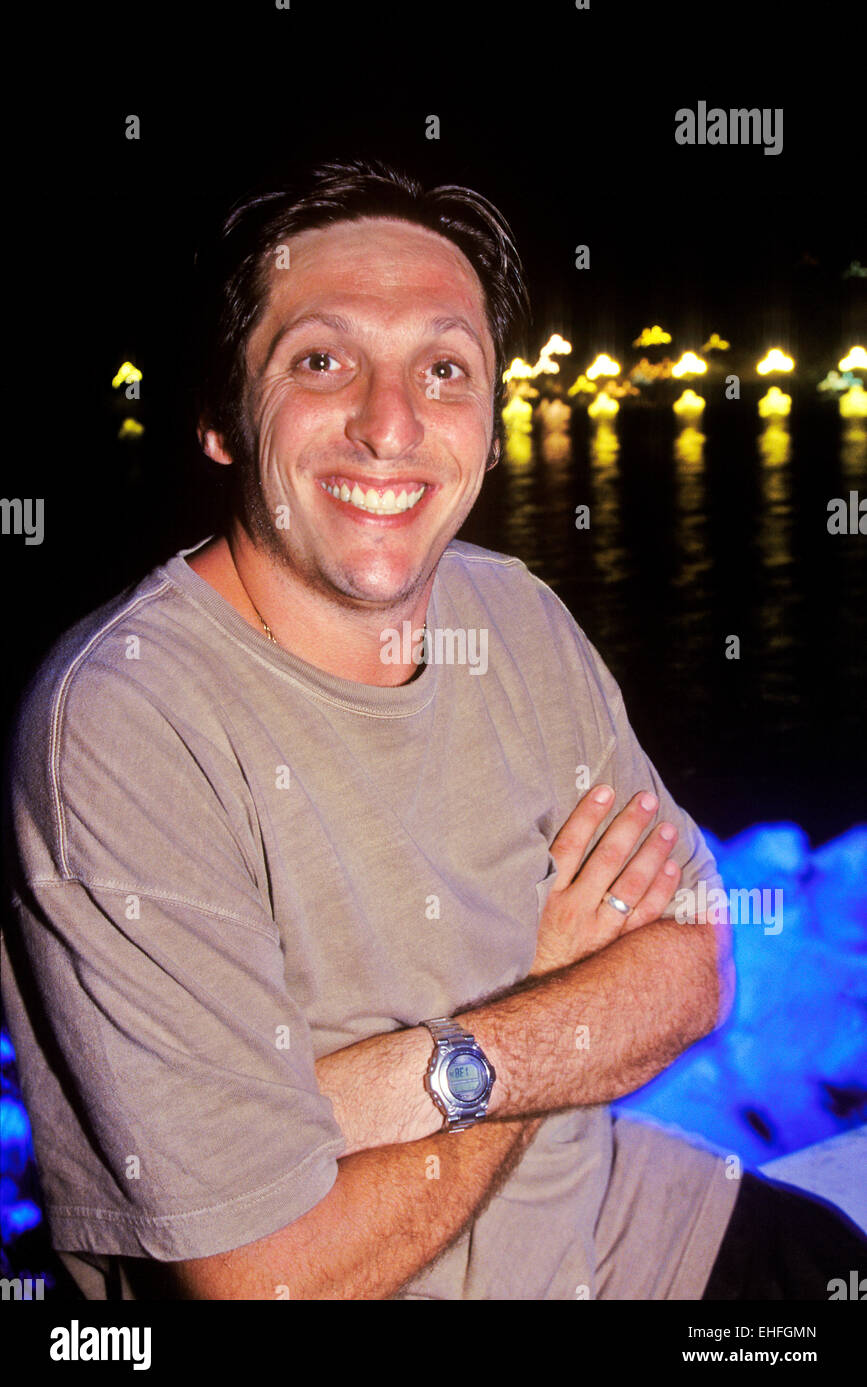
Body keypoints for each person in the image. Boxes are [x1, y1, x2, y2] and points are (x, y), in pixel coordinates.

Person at [2, 159, 863, 1301]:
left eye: (444, 368)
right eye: (322, 360)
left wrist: (372, 1085)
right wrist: (544, 1004)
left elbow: (696, 964)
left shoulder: (517, 615)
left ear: (492, 425)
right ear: (220, 418)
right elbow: (268, 1275)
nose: (390, 423)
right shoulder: (124, 727)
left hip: (623, 1233)